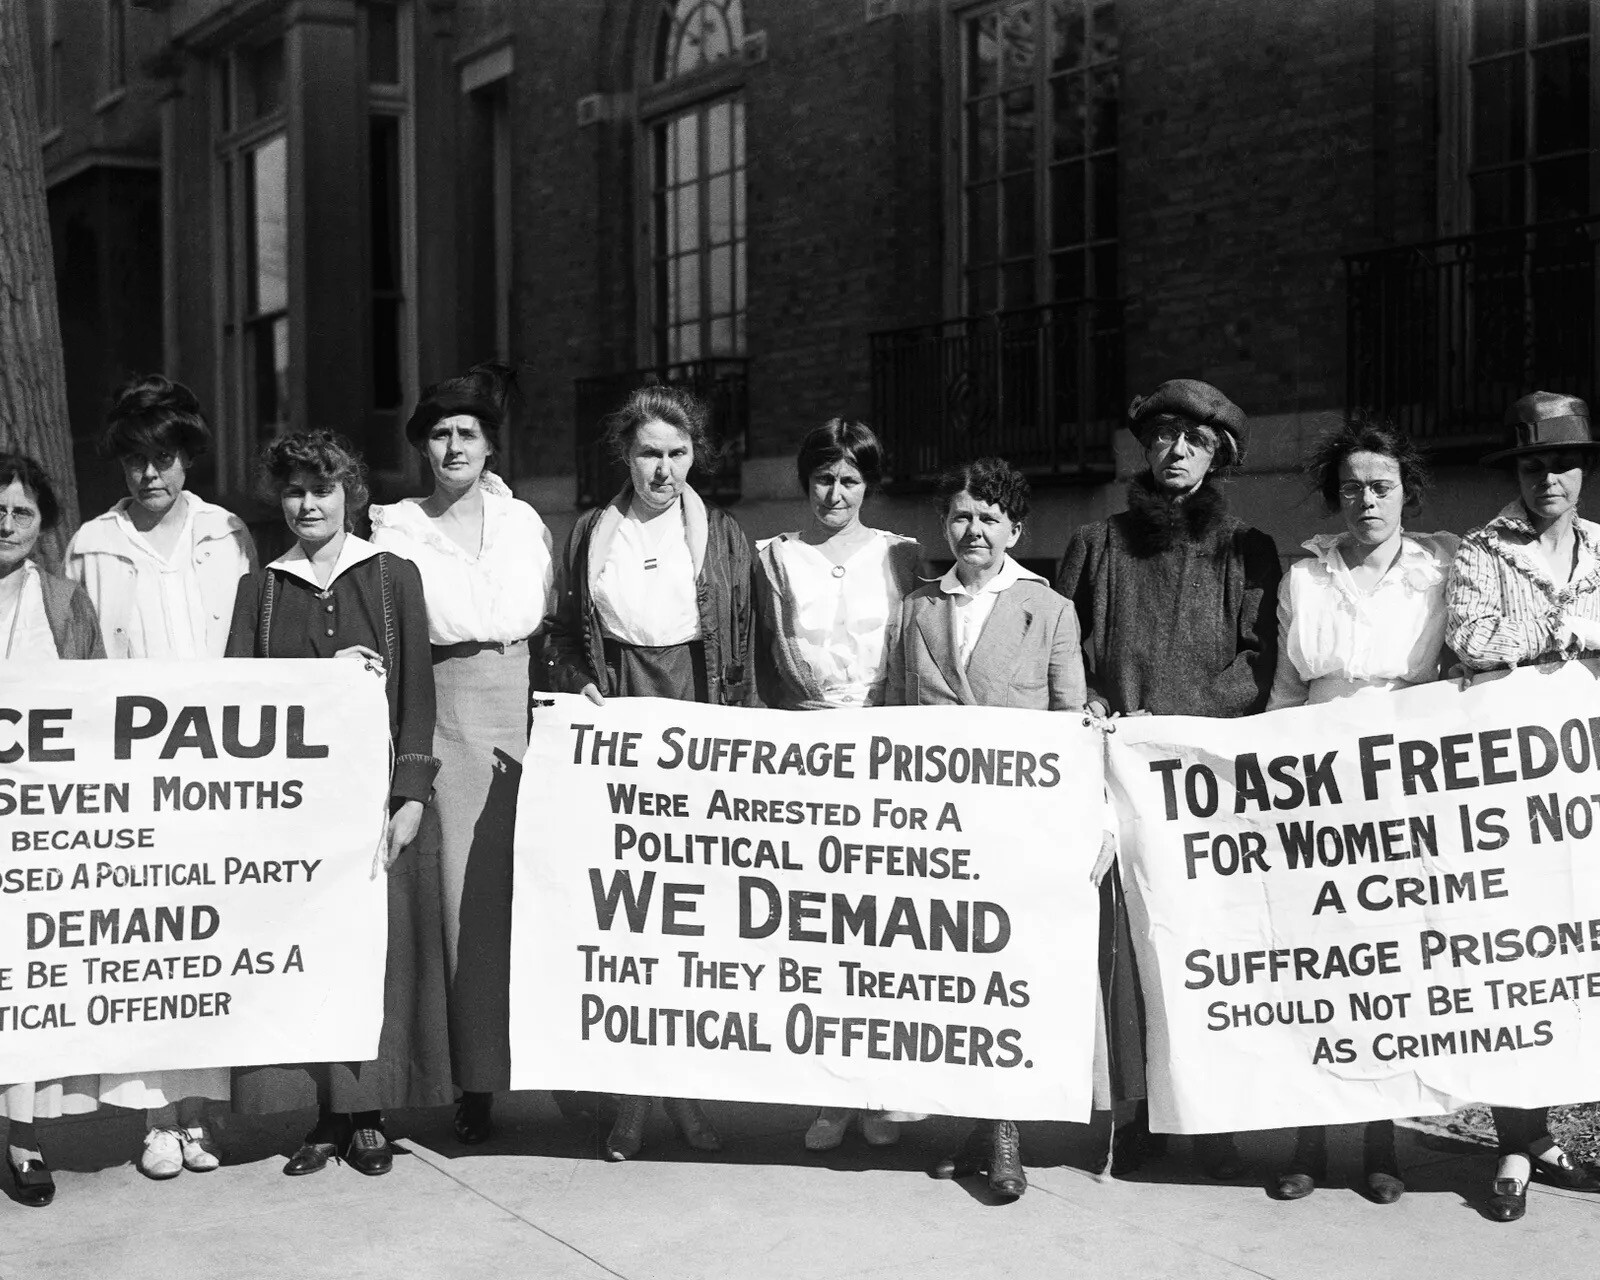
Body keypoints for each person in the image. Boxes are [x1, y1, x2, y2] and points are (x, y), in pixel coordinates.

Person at [1056, 378, 1280, 1180]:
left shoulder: (1246, 548)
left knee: (1204, 945)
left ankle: (1213, 1118)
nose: (1176, 452)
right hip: (1118, 780)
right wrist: (1093, 705)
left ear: (1217, 455)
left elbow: (1260, 662)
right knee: (1129, 949)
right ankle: (1139, 1116)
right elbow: (1067, 650)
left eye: (1195, 441)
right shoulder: (1100, 543)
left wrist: (1179, 728)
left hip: (1202, 787)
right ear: (1145, 448)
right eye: (1163, 438)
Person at [226, 430, 453, 1177]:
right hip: (294, 817)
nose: (307, 504)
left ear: (348, 493)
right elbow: (242, 706)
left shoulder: (390, 578)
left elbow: (417, 693)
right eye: (293, 490)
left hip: (375, 808)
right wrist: (326, 673)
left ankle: (369, 1115)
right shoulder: (261, 591)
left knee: (377, 960)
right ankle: (323, 1116)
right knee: (309, 961)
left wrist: (411, 794)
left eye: (321, 489)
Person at [546, 384, 756, 1160]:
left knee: (691, 928)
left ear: (694, 456)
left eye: (677, 454)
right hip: (618, 737)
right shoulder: (591, 535)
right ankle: (629, 1101)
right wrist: (578, 681)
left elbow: (747, 650)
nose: (663, 470)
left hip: (698, 735)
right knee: (628, 925)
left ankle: (689, 1097)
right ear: (624, 457)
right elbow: (561, 634)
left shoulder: (726, 538)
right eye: (648, 454)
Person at [65, 374, 257, 1180]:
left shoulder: (229, 532)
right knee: (150, 941)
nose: (151, 474)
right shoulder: (92, 544)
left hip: (221, 764)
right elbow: (77, 665)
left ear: (188, 457)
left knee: (212, 937)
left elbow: (258, 641)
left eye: (166, 456)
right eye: (137, 459)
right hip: (137, 769)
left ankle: (202, 1114)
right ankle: (153, 1116)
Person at [883, 456, 1086, 1201]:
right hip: (933, 825)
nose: (974, 530)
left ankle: (1006, 1134)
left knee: (1005, 977)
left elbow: (1071, 723)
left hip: (1013, 827)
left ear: (1015, 530)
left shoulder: (1050, 609)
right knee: (951, 980)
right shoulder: (916, 607)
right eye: (962, 516)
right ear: (946, 525)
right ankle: (971, 1124)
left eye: (990, 518)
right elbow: (888, 708)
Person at [1266, 418, 1458, 1204]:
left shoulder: (1439, 570)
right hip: (1315, 773)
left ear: (1406, 490)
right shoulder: (1305, 576)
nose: (1366, 500)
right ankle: (1308, 1139)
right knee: (1315, 959)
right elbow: (1284, 683)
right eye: (1351, 488)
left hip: (1400, 776)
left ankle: (1382, 1142)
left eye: (1381, 486)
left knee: (1390, 965)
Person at [370, 364, 552, 1147]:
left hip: (520, 711)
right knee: (452, 905)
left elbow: (559, 623)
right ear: (422, 446)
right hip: (438, 710)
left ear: (488, 444)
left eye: (467, 433)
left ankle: (518, 1063)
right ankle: (468, 1082)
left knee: (513, 901)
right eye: (439, 433)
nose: (453, 446)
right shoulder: (394, 530)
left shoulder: (524, 523)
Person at [1445, 390, 1600, 1221]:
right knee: (1516, 958)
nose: (1550, 478)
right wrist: (1568, 639)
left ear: (1584, 471)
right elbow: (1471, 640)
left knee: (1586, 958)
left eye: (1564, 463)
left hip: (1591, 784)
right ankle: (1515, 1136)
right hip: (1512, 792)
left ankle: (1553, 1131)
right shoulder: (1482, 553)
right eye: (1535, 464)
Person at [753, 418, 921, 1151]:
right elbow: (757, 662)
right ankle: (828, 1095)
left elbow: (922, 652)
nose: (835, 492)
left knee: (883, 933)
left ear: (868, 486)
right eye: (823, 478)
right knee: (819, 932)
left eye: (850, 480)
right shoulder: (775, 558)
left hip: (884, 753)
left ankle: (884, 1089)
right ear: (806, 482)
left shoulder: (903, 556)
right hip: (806, 754)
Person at [0, 453, 105, 1206]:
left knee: (23, 982)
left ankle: (23, 1140)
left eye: (21, 513)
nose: (4, 524)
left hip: (39, 828)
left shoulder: (65, 602)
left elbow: (101, 708)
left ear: (42, 526)